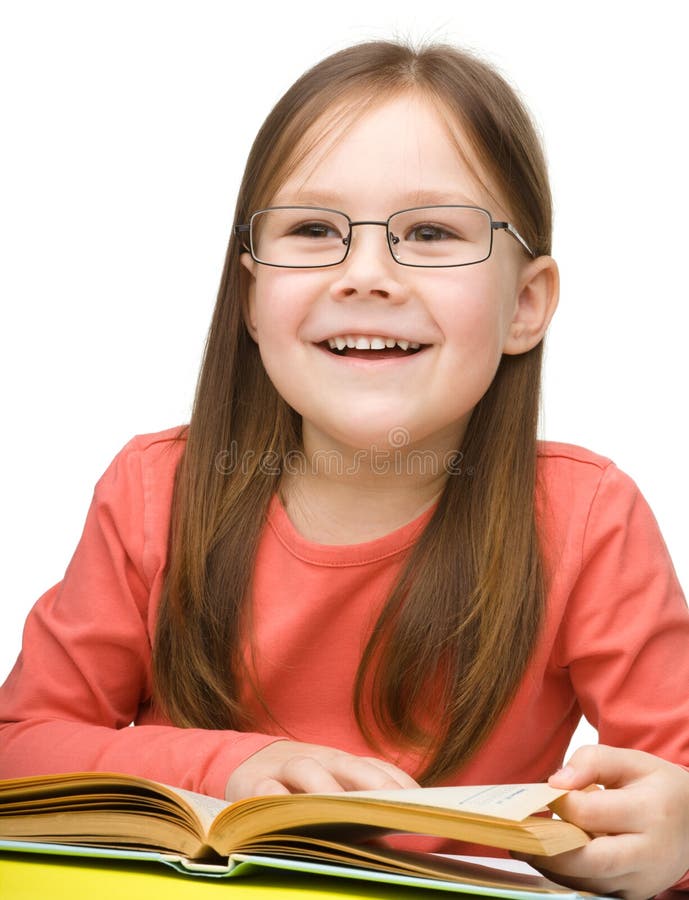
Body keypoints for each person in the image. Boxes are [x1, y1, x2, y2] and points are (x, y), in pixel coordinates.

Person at [1, 39, 688, 898]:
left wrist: (674, 844)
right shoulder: (152, 491)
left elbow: (671, 790)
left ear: (524, 304)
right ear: (251, 298)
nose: (367, 274)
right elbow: (19, 745)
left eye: (431, 232)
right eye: (314, 230)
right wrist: (236, 765)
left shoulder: (589, 519)